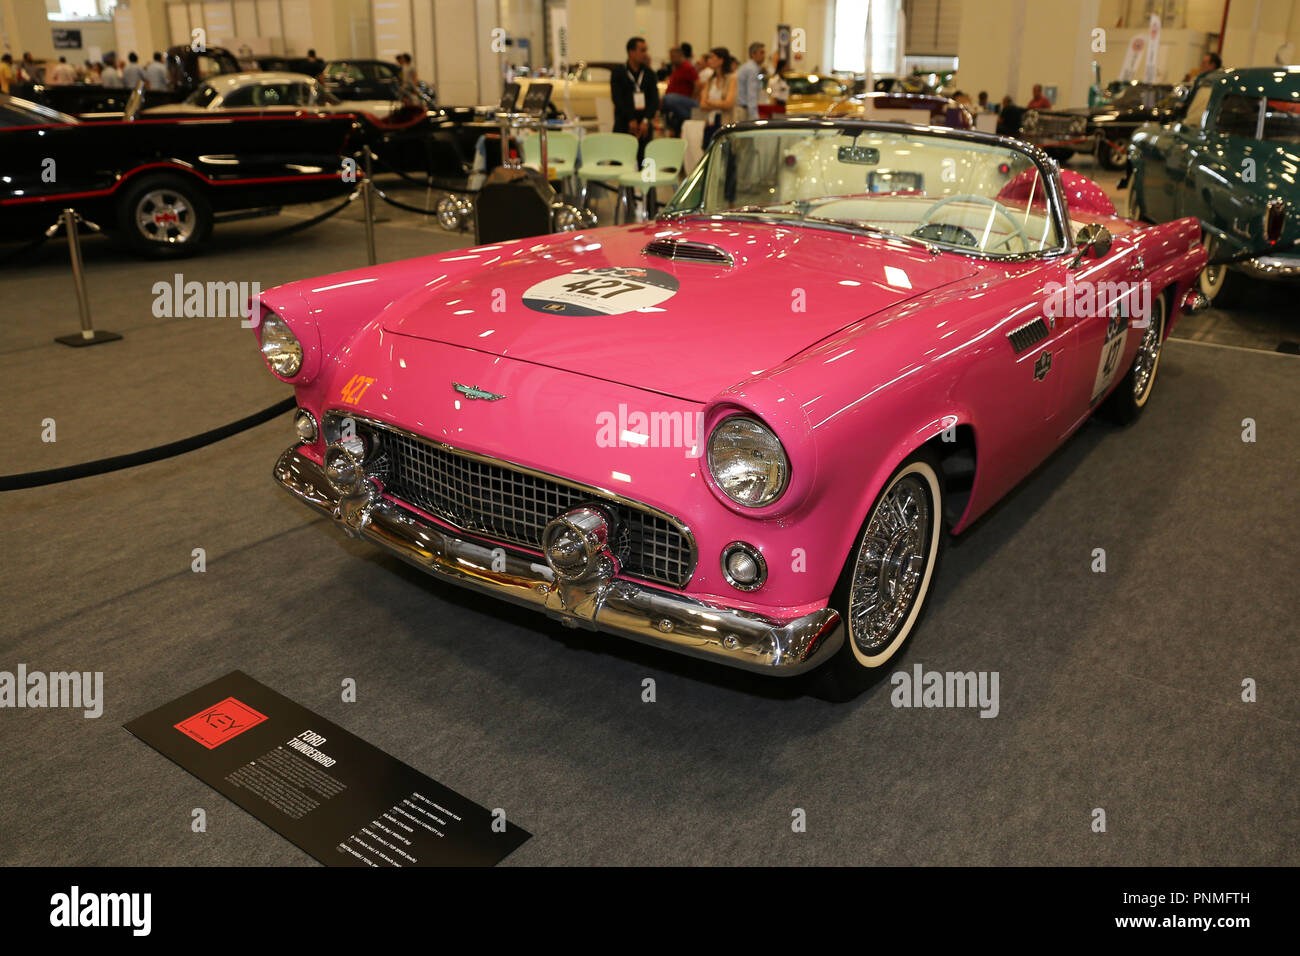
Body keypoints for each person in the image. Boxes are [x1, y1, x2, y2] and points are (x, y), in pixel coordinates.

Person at [611, 36, 659, 162]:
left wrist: (645, 120)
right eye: (642, 50)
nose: (645, 54)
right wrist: (630, 118)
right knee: (619, 161)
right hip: (624, 123)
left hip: (644, 126)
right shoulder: (618, 73)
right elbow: (617, 98)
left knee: (645, 161)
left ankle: (645, 182)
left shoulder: (649, 74)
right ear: (631, 52)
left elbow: (654, 100)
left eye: (646, 50)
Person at [699, 47, 737, 147]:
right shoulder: (710, 80)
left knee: (724, 153)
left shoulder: (732, 78)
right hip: (710, 121)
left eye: (712, 57)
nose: (709, 60)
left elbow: (729, 103)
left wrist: (710, 102)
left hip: (724, 121)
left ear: (721, 60)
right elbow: (702, 104)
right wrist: (719, 104)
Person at [660, 43, 698, 135]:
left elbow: (697, 84)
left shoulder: (687, 67)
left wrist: (693, 97)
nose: (671, 59)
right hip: (676, 104)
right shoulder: (676, 68)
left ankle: (689, 118)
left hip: (684, 101)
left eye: (673, 57)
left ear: (680, 55)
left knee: (668, 99)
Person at [735, 41, 765, 121]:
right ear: (753, 54)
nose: (764, 56)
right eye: (761, 53)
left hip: (743, 108)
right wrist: (755, 117)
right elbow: (751, 94)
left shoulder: (749, 67)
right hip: (744, 110)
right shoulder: (752, 69)